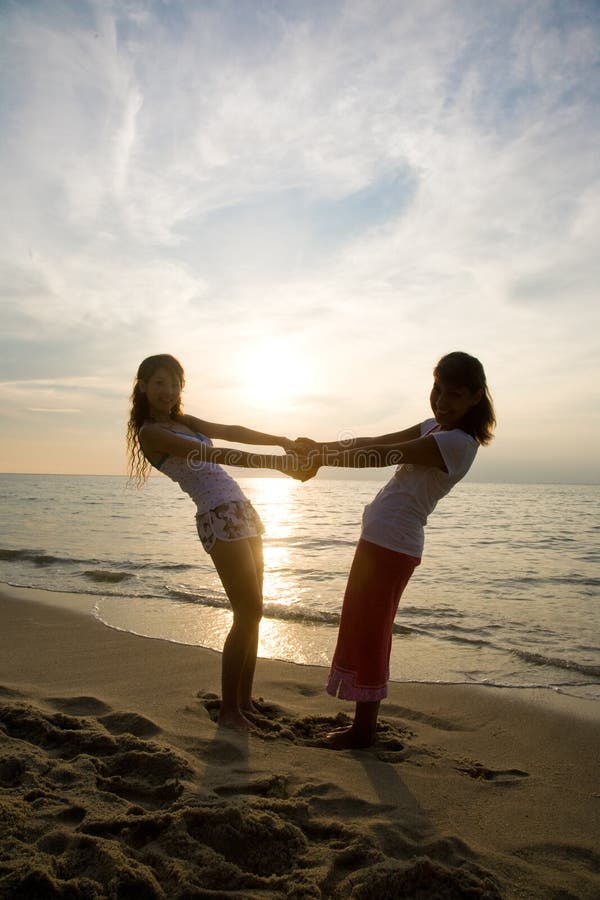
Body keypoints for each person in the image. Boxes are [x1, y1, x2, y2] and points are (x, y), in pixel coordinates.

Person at [290, 351, 496, 749]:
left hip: (393, 544)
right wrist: (321, 446)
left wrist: (321, 460)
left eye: (453, 394)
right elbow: (378, 440)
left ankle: (363, 731)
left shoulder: (456, 442)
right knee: (362, 625)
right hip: (380, 539)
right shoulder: (435, 425)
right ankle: (361, 725)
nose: (440, 401)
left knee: (371, 632)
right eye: (437, 389)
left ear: (474, 397)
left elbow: (384, 455)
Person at [126, 353, 311, 732]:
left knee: (255, 613)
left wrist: (280, 441)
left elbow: (230, 430)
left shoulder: (184, 421)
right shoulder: (151, 433)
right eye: (159, 382)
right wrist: (277, 465)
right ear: (143, 385)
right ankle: (229, 711)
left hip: (241, 509)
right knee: (247, 611)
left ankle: (243, 702)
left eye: (175, 383)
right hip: (216, 515)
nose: (168, 390)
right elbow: (213, 453)